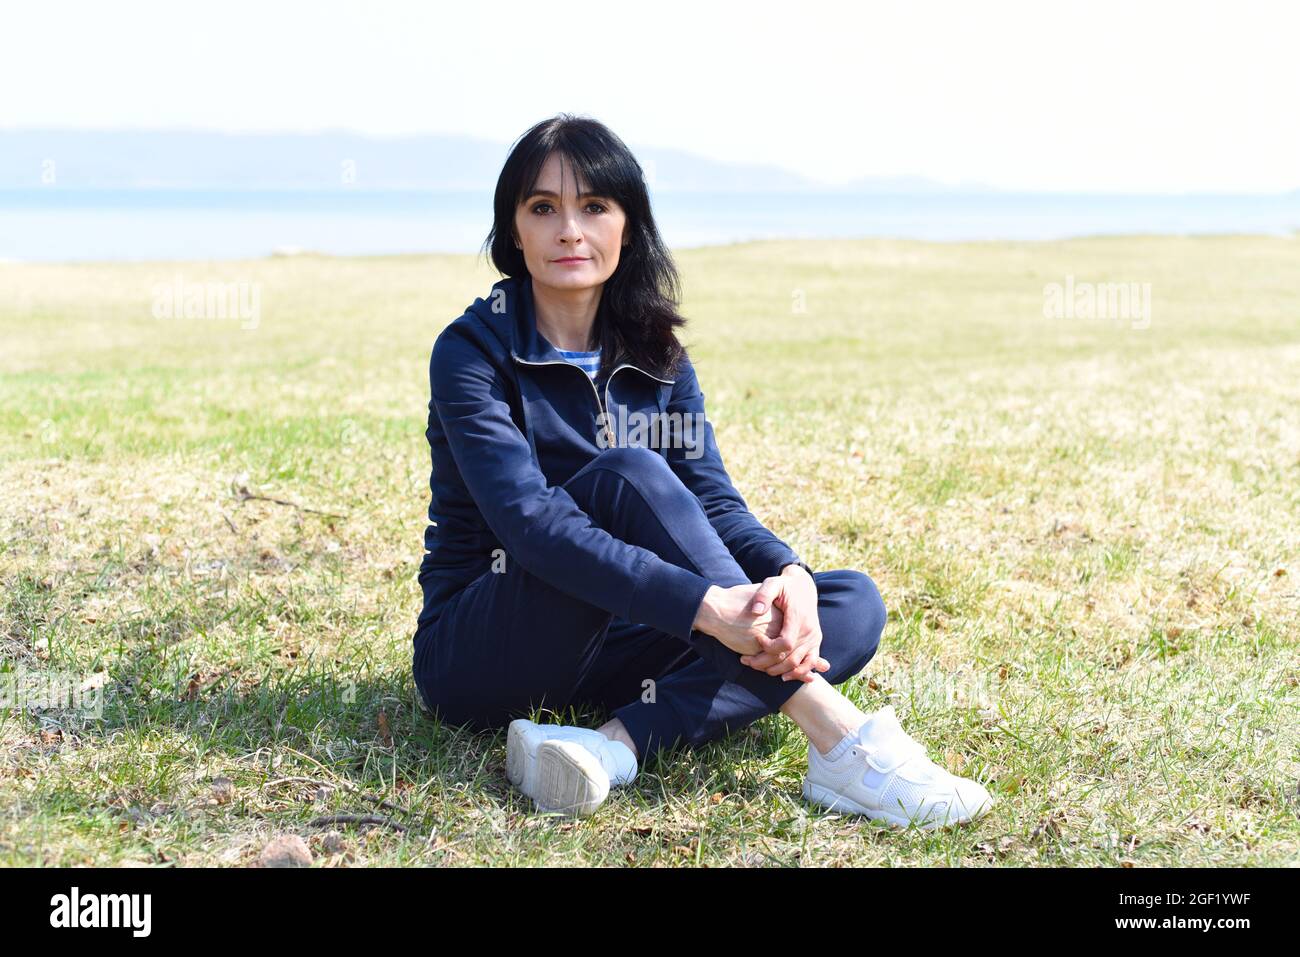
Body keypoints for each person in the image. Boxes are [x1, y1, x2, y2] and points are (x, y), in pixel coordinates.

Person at [412, 113, 994, 829]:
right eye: (544, 208)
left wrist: (788, 574)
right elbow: (529, 526)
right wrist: (707, 608)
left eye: (594, 206)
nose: (571, 229)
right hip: (489, 645)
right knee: (629, 477)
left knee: (846, 605)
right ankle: (840, 739)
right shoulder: (472, 351)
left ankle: (612, 747)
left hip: (628, 639)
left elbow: (713, 501)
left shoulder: (657, 355)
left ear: (629, 225)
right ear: (514, 231)